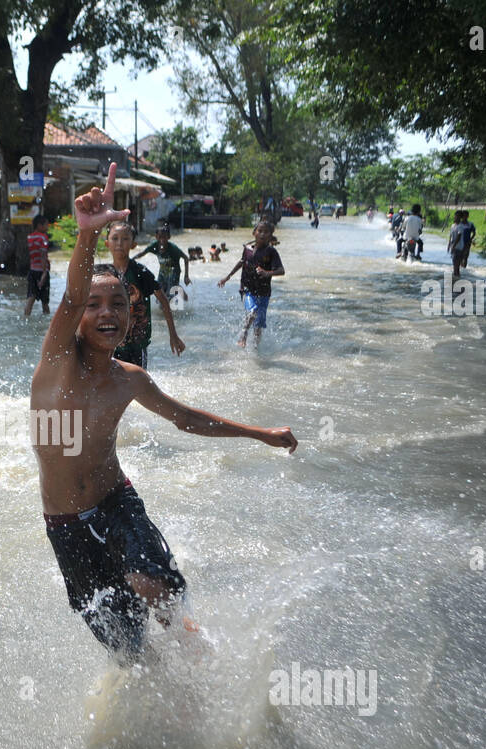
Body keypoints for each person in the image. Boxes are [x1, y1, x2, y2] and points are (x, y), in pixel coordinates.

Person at [31, 163, 297, 664]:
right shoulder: (56, 368)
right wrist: (87, 236)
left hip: (116, 501)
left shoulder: (128, 378)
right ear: (77, 318)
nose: (107, 313)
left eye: (119, 304)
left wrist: (259, 434)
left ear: (132, 317)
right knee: (129, 649)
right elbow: (69, 296)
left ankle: (197, 651)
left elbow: (187, 419)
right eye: (95, 305)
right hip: (65, 524)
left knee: (155, 586)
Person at [106, 220, 185, 368]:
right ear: (107, 243)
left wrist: (173, 334)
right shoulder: (105, 275)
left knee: (137, 385)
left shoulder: (140, 273)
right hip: (113, 343)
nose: (119, 243)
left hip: (137, 344)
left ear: (133, 244)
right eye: (115, 238)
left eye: (125, 239)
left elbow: (163, 300)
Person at [218, 221, 285, 349]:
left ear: (270, 236)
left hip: (264, 291)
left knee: (258, 324)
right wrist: (227, 277)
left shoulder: (271, 252)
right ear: (254, 233)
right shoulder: (248, 249)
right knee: (253, 311)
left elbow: (281, 271)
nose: (262, 234)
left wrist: (267, 273)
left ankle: (255, 349)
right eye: (260, 231)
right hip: (248, 288)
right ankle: (243, 335)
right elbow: (241, 262)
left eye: (266, 232)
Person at [134, 222, 192, 296]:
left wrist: (186, 276)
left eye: (164, 237)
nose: (162, 240)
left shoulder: (173, 248)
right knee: (159, 292)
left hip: (174, 273)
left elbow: (186, 258)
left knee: (171, 294)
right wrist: (131, 260)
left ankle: (179, 296)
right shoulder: (154, 246)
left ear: (169, 237)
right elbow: (142, 253)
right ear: (156, 237)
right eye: (160, 237)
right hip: (163, 272)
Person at [23, 215, 51, 317]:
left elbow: (33, 255)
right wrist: (44, 273)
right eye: (46, 225)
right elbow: (42, 255)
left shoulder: (29, 238)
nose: (48, 227)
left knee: (31, 297)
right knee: (45, 301)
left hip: (32, 270)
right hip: (41, 271)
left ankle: (26, 318)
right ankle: (47, 322)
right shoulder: (43, 237)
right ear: (40, 225)